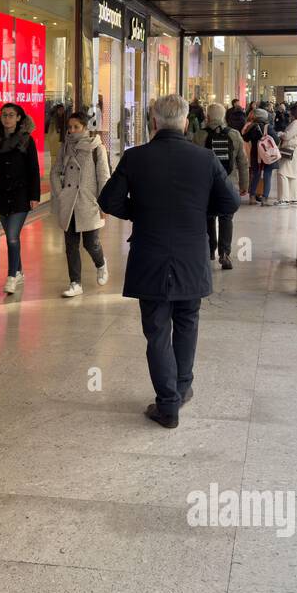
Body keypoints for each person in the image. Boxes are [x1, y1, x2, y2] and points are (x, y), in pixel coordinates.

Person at [99, 94, 241, 429]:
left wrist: (140, 213)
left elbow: (109, 200)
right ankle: (181, 388)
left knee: (157, 330)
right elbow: (230, 203)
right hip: (192, 255)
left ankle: (168, 403)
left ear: (154, 122)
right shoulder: (204, 159)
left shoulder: (135, 158)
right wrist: (197, 211)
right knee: (188, 322)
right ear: (184, 123)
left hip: (150, 255)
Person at [0, 101, 40, 294]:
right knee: (11, 236)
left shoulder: (26, 140)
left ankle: (11, 277)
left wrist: (34, 195)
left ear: (19, 118)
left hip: (21, 194)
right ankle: (19, 270)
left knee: (12, 237)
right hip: (1, 193)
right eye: (4, 115)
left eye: (11, 115)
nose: (7, 118)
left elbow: (34, 169)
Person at [52, 110, 110, 297]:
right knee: (70, 245)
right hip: (69, 202)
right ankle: (75, 283)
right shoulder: (65, 147)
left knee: (91, 243)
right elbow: (55, 171)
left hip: (88, 202)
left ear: (85, 127)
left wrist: (104, 204)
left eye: (76, 127)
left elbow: (103, 177)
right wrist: (61, 194)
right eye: (69, 127)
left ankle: (101, 264)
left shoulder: (96, 147)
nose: (72, 130)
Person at [194, 101, 248, 269]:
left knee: (208, 216)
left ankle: (210, 250)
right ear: (224, 117)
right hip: (228, 184)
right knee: (226, 217)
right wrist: (244, 184)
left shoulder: (199, 135)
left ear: (208, 117)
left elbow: (194, 163)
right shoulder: (234, 135)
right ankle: (225, 254)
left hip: (205, 184)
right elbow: (242, 162)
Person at [277, 103, 297, 205]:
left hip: (289, 150)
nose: (289, 113)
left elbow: (287, 136)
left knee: (282, 173)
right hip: (293, 151)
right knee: (292, 175)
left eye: (291, 111)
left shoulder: (296, 123)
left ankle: (284, 198)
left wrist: (280, 133)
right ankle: (293, 197)